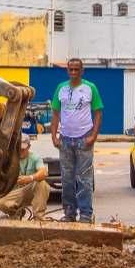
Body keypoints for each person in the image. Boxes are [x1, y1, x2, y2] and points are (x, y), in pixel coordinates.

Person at [48, 58, 102, 223]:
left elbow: (98, 113)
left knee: (84, 179)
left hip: (83, 139)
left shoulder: (90, 88)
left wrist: (93, 137)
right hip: (65, 140)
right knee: (67, 179)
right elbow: (55, 113)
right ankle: (70, 213)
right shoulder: (61, 89)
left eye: (76, 70)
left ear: (82, 71)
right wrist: (54, 137)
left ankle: (85, 214)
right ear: (67, 71)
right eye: (70, 69)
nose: (73, 72)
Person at [0, 137, 50, 220]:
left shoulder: (34, 158)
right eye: (19, 148)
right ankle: (17, 213)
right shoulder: (9, 158)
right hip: (14, 191)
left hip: (29, 190)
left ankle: (38, 216)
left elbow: (44, 172)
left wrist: (30, 178)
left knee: (42, 183)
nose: (21, 151)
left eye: (23, 149)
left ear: (29, 147)